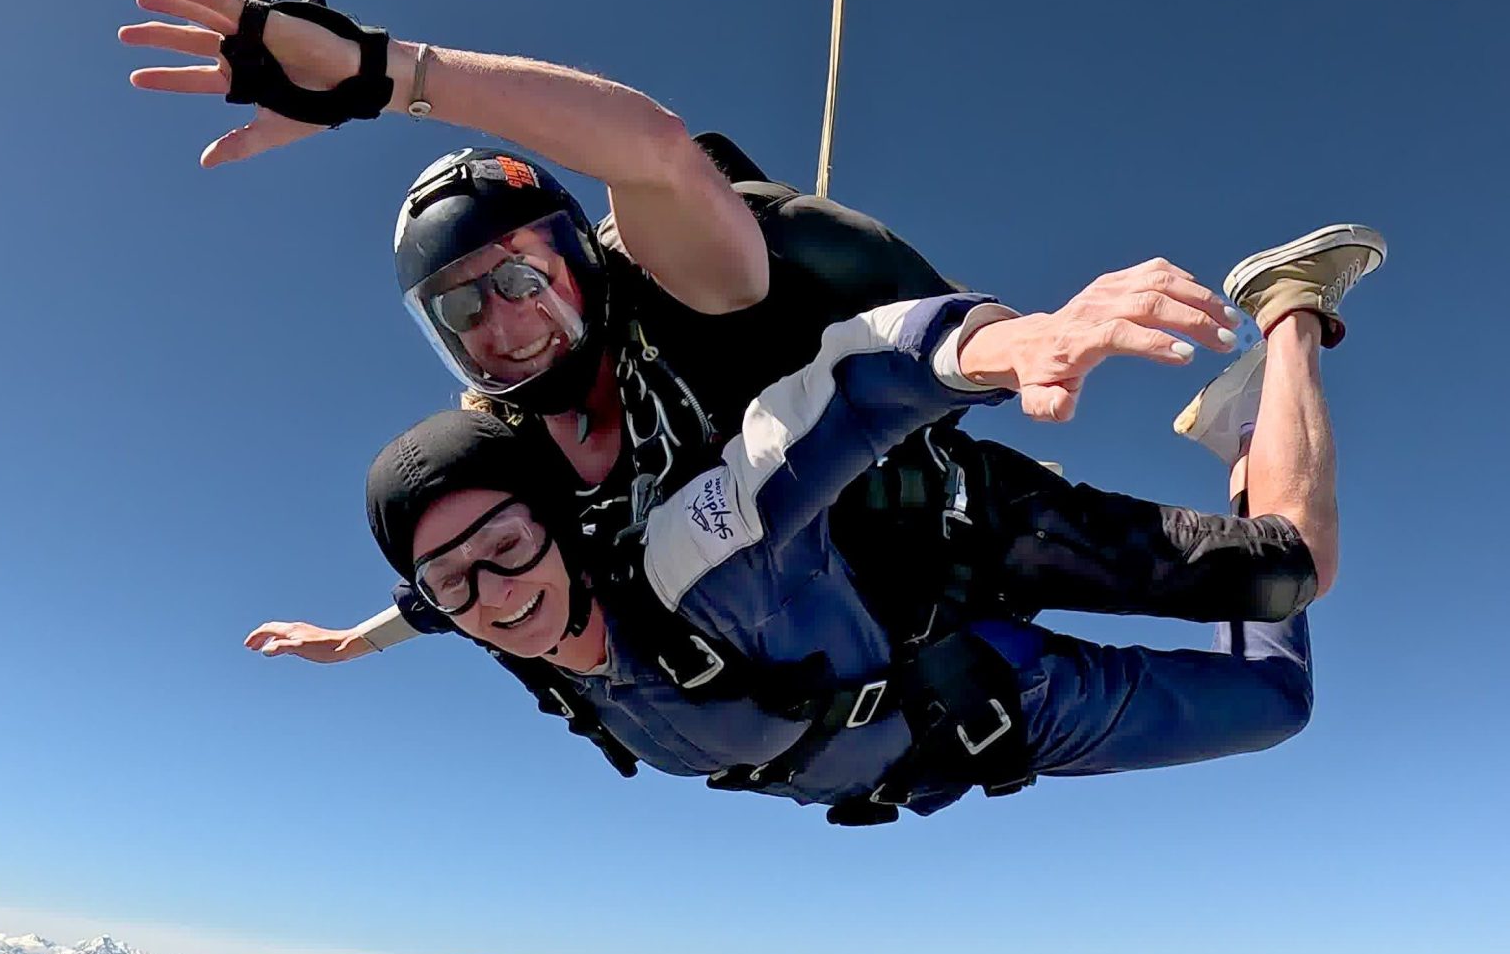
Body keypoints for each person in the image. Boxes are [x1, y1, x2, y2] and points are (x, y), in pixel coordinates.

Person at [116, 0, 1087, 659]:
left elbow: (655, 156)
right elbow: (471, 573)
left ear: (585, 262)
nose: (503, 318)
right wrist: (356, 638)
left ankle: (1252, 353)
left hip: (977, 532)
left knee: (1244, 611)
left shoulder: (686, 302)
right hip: (899, 640)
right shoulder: (522, 447)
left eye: (526, 275)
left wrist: (393, 75)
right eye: (459, 305)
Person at [364, 227, 1379, 823]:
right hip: (971, 721)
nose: (493, 597)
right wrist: (354, 637)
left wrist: (1015, 342)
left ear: (560, 526)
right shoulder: (500, 626)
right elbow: (434, 597)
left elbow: (852, 387)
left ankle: (1284, 314)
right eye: (455, 588)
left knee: (1295, 570)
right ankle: (1256, 438)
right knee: (1274, 702)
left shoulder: (695, 558)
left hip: (961, 564)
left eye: (502, 553)